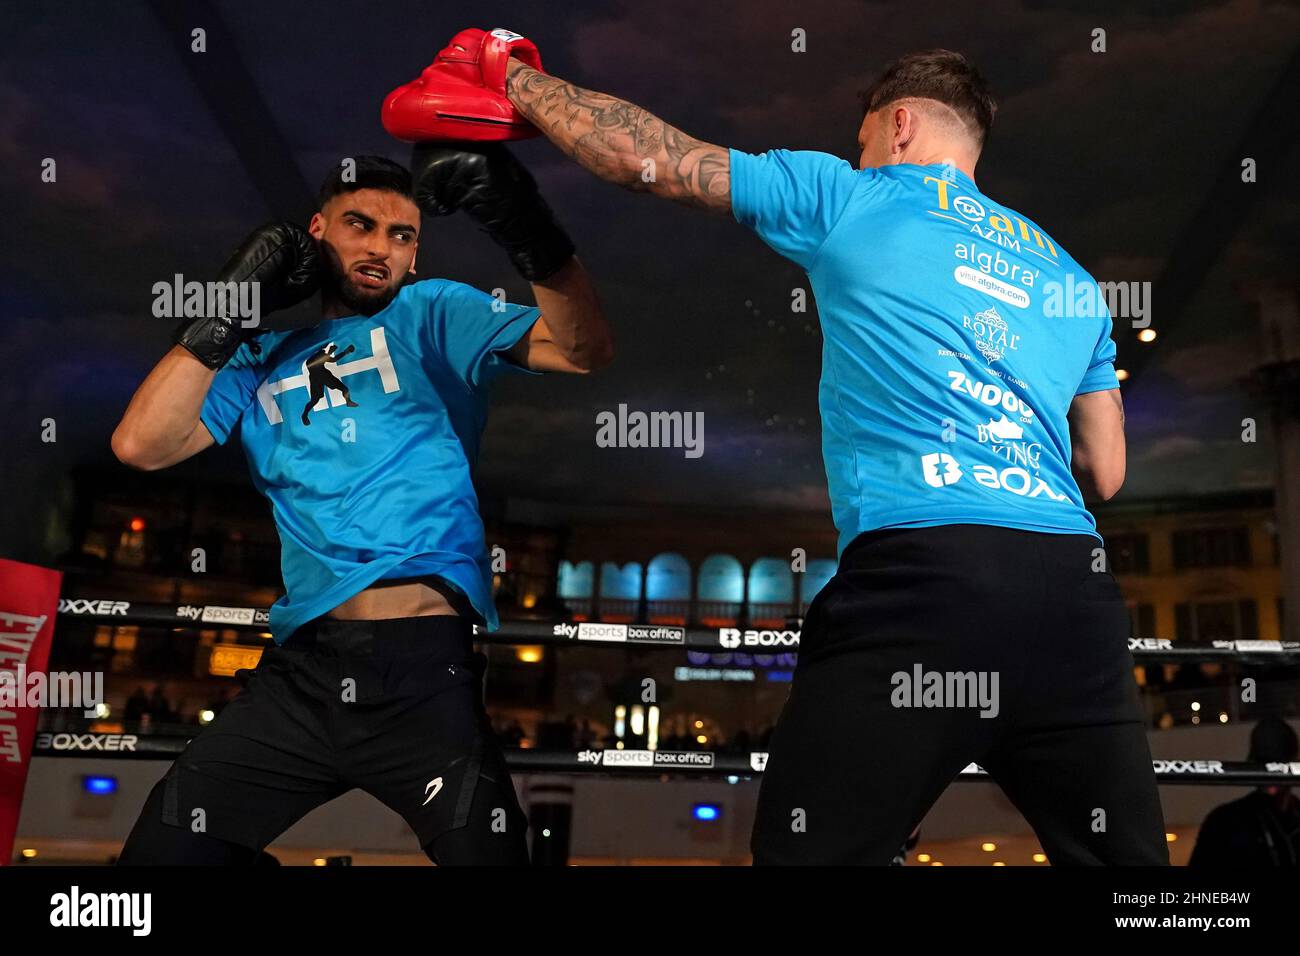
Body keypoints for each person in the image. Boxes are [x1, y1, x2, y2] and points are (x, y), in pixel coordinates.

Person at [416, 30, 1166, 864]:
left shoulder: (849, 196)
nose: (862, 153)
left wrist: (507, 74)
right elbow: (1106, 471)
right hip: (1073, 593)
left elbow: (648, 158)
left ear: (902, 126)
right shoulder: (1070, 279)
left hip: (925, 577)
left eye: (865, 139)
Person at [111, 153, 611, 864]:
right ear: (318, 232)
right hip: (300, 674)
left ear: (415, 256)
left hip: (422, 675)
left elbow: (585, 349)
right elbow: (139, 445)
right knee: (157, 862)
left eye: (402, 235)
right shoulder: (256, 358)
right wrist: (224, 309)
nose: (380, 246)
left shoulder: (433, 311)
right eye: (360, 225)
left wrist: (528, 228)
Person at [1190, 716, 1300, 866]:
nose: (1269, 776)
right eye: (1262, 764)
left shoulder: (1225, 820)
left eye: (1277, 764)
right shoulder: (1224, 821)